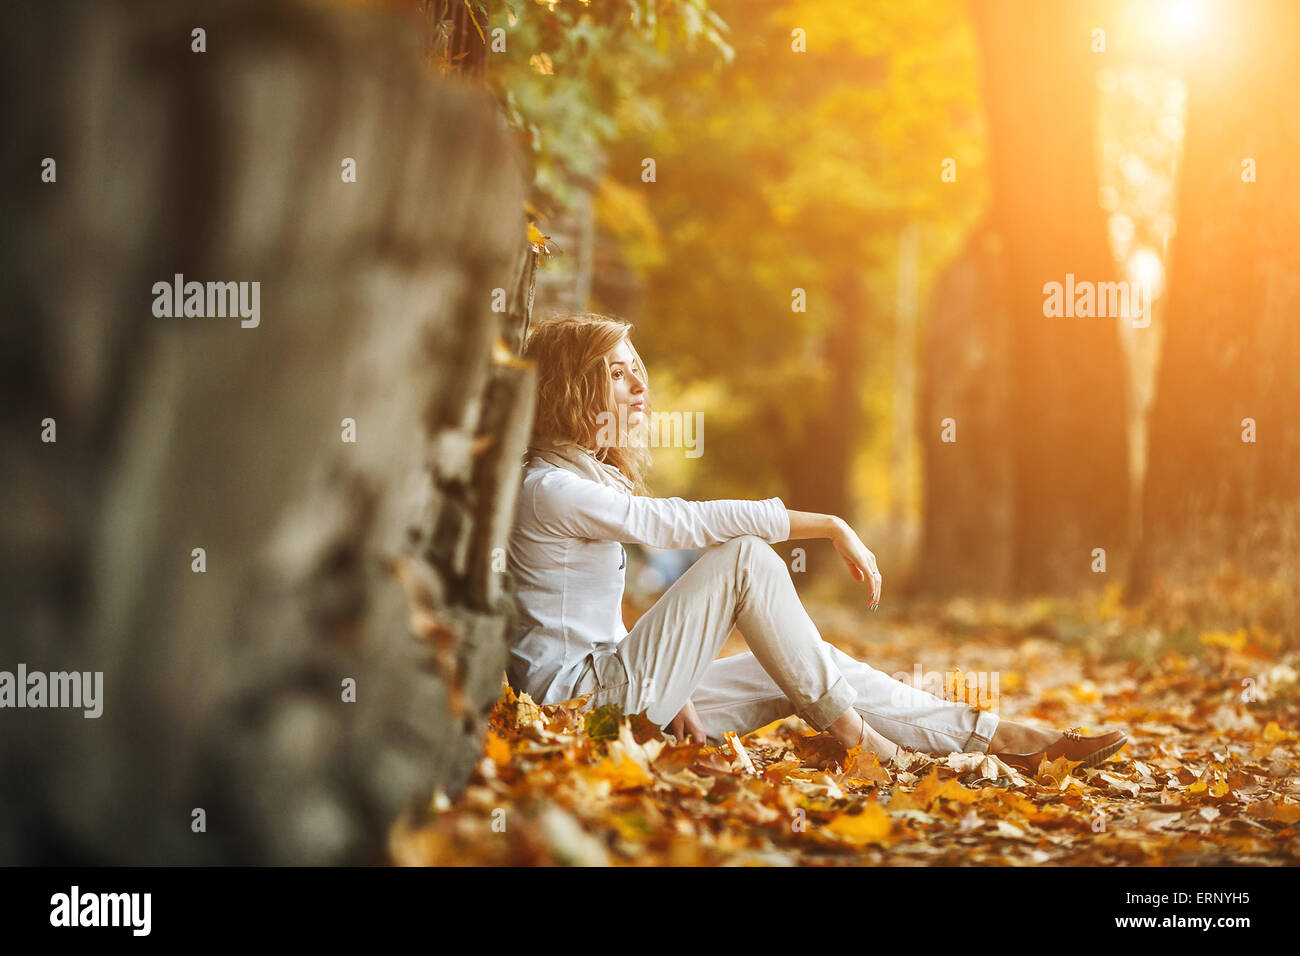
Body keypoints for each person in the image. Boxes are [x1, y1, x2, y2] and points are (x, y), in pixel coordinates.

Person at [505, 313, 1127, 772]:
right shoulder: (551, 488)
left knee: (809, 661)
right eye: (616, 375)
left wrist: (671, 694)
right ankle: (867, 745)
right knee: (745, 558)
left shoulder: (584, 477)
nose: (639, 388)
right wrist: (826, 524)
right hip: (576, 711)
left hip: (612, 690)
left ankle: (1001, 740)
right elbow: (678, 524)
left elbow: (593, 624)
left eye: (637, 371)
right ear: (571, 387)